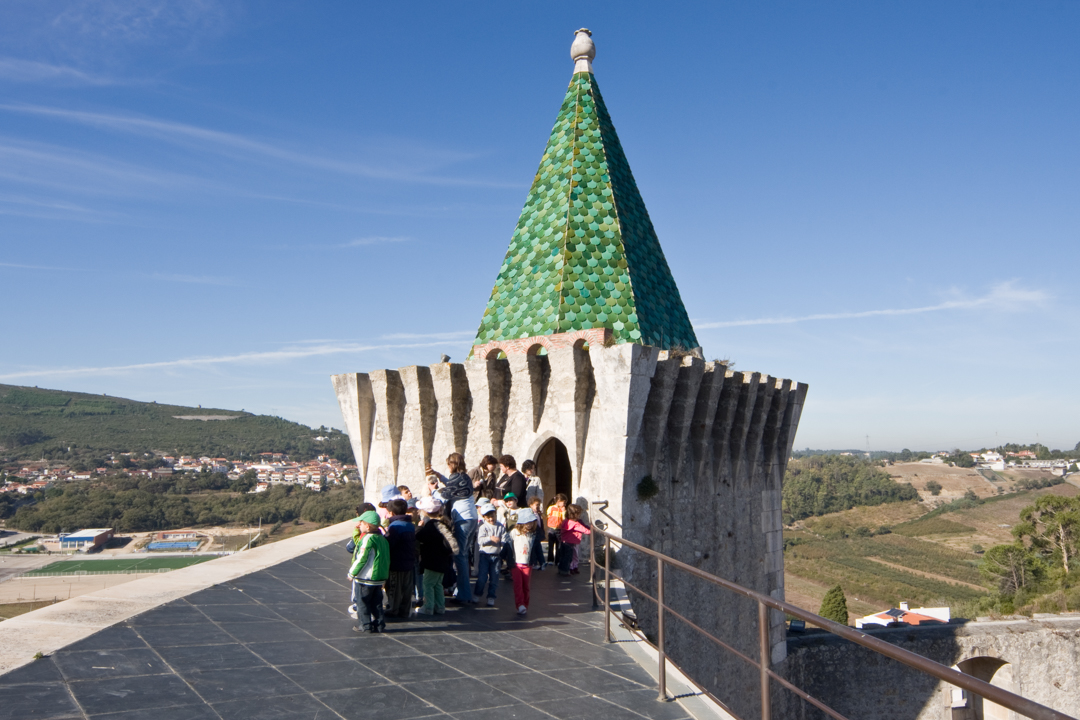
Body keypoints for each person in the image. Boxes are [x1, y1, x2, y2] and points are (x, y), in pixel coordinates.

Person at [426, 452, 478, 604]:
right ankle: (464, 591)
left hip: (462, 519)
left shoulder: (456, 479)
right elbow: (452, 484)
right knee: (464, 555)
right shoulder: (465, 477)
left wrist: (432, 489)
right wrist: (439, 476)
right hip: (472, 517)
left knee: (459, 556)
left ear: (452, 464)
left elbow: (442, 497)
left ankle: (464, 594)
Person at [415, 496, 458, 615]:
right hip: (442, 561)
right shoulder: (443, 524)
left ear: (425, 512)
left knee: (428, 584)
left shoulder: (430, 526)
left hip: (431, 561)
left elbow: (418, 536)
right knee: (438, 584)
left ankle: (428, 607)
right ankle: (440, 607)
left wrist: (419, 527)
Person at [348, 511, 389, 633]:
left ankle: (365, 626)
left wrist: (352, 573)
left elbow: (362, 558)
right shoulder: (382, 539)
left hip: (365, 578)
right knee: (377, 603)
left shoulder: (367, 539)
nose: (359, 525)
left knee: (363, 603)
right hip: (378, 578)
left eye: (361, 523)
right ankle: (379, 624)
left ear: (368, 526)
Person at [384, 498, 416, 619]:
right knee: (406, 588)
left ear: (391, 513)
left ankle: (393, 609)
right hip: (409, 561)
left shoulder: (394, 527)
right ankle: (405, 610)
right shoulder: (410, 525)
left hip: (396, 562)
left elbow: (390, 544)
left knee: (394, 587)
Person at [473, 503, 506, 607]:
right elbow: (480, 541)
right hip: (485, 555)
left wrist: (502, 542)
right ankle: (478, 593)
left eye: (493, 516)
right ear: (484, 517)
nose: (491, 519)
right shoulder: (483, 527)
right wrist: (490, 538)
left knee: (494, 578)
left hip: (496, 556)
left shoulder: (500, 526)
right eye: (488, 517)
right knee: (482, 577)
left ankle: (491, 596)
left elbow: (505, 538)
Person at [510, 507, 539, 615]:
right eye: (527, 522)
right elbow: (508, 545)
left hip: (527, 564)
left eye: (531, 522)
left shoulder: (533, 534)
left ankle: (525, 604)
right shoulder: (514, 532)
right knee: (518, 585)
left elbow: (537, 548)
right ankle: (519, 604)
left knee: (526, 586)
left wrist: (541, 561)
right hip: (516, 564)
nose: (530, 524)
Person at [558, 504, 591, 576]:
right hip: (572, 543)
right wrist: (591, 530)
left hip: (564, 541)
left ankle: (562, 570)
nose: (579, 516)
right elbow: (586, 531)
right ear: (575, 514)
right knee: (570, 557)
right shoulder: (575, 524)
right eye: (579, 514)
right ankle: (567, 570)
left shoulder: (566, 521)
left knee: (564, 557)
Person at [546, 494, 568, 567]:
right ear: (559, 501)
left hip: (559, 529)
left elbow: (564, 518)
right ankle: (550, 560)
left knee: (558, 546)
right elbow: (548, 515)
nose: (564, 504)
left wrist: (563, 511)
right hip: (551, 528)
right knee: (550, 546)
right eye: (563, 502)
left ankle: (557, 560)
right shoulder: (551, 508)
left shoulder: (563, 510)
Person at [527, 497, 545, 570]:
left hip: (538, 532)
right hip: (533, 532)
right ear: (531, 505)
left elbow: (541, 523)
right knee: (533, 548)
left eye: (539, 505)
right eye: (536, 505)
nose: (538, 506)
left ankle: (542, 562)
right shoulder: (529, 513)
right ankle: (533, 563)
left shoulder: (538, 514)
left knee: (539, 548)